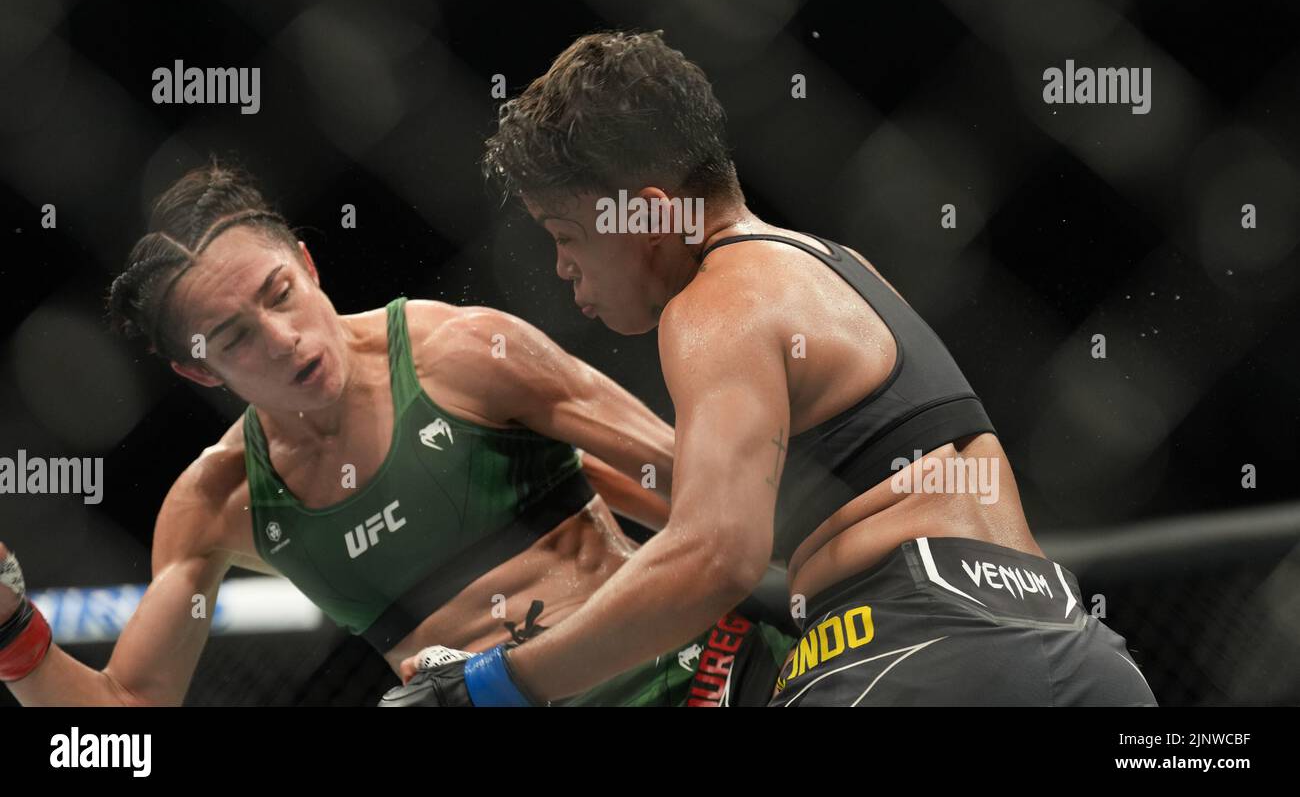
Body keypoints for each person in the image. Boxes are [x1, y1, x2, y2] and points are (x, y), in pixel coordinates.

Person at [396, 28, 1159, 707]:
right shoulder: (838, 268)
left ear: (651, 215)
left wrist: (495, 684)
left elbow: (713, 555)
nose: (563, 268)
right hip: (1078, 649)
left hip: (911, 660)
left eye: (564, 234)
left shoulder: (713, 304)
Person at [0, 161, 784, 707]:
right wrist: (11, 633)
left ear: (308, 266)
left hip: (685, 681)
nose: (282, 339)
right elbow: (129, 711)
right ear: (201, 372)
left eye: (279, 293)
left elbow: (702, 482)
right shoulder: (218, 502)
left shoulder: (464, 354)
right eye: (235, 338)